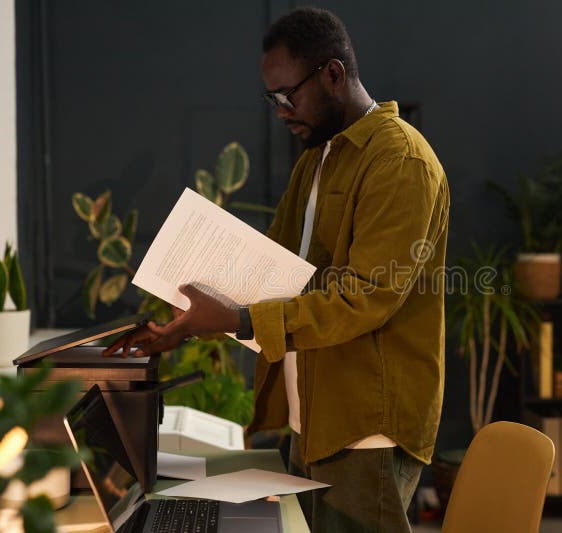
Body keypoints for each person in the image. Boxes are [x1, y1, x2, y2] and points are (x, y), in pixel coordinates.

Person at [104, 6, 449, 532]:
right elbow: (268, 272)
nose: (281, 111)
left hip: (364, 428)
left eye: (288, 95)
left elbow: (365, 297)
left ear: (333, 74)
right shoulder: (317, 159)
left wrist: (234, 321)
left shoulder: (399, 161)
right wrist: (188, 325)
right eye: (272, 99)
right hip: (309, 414)